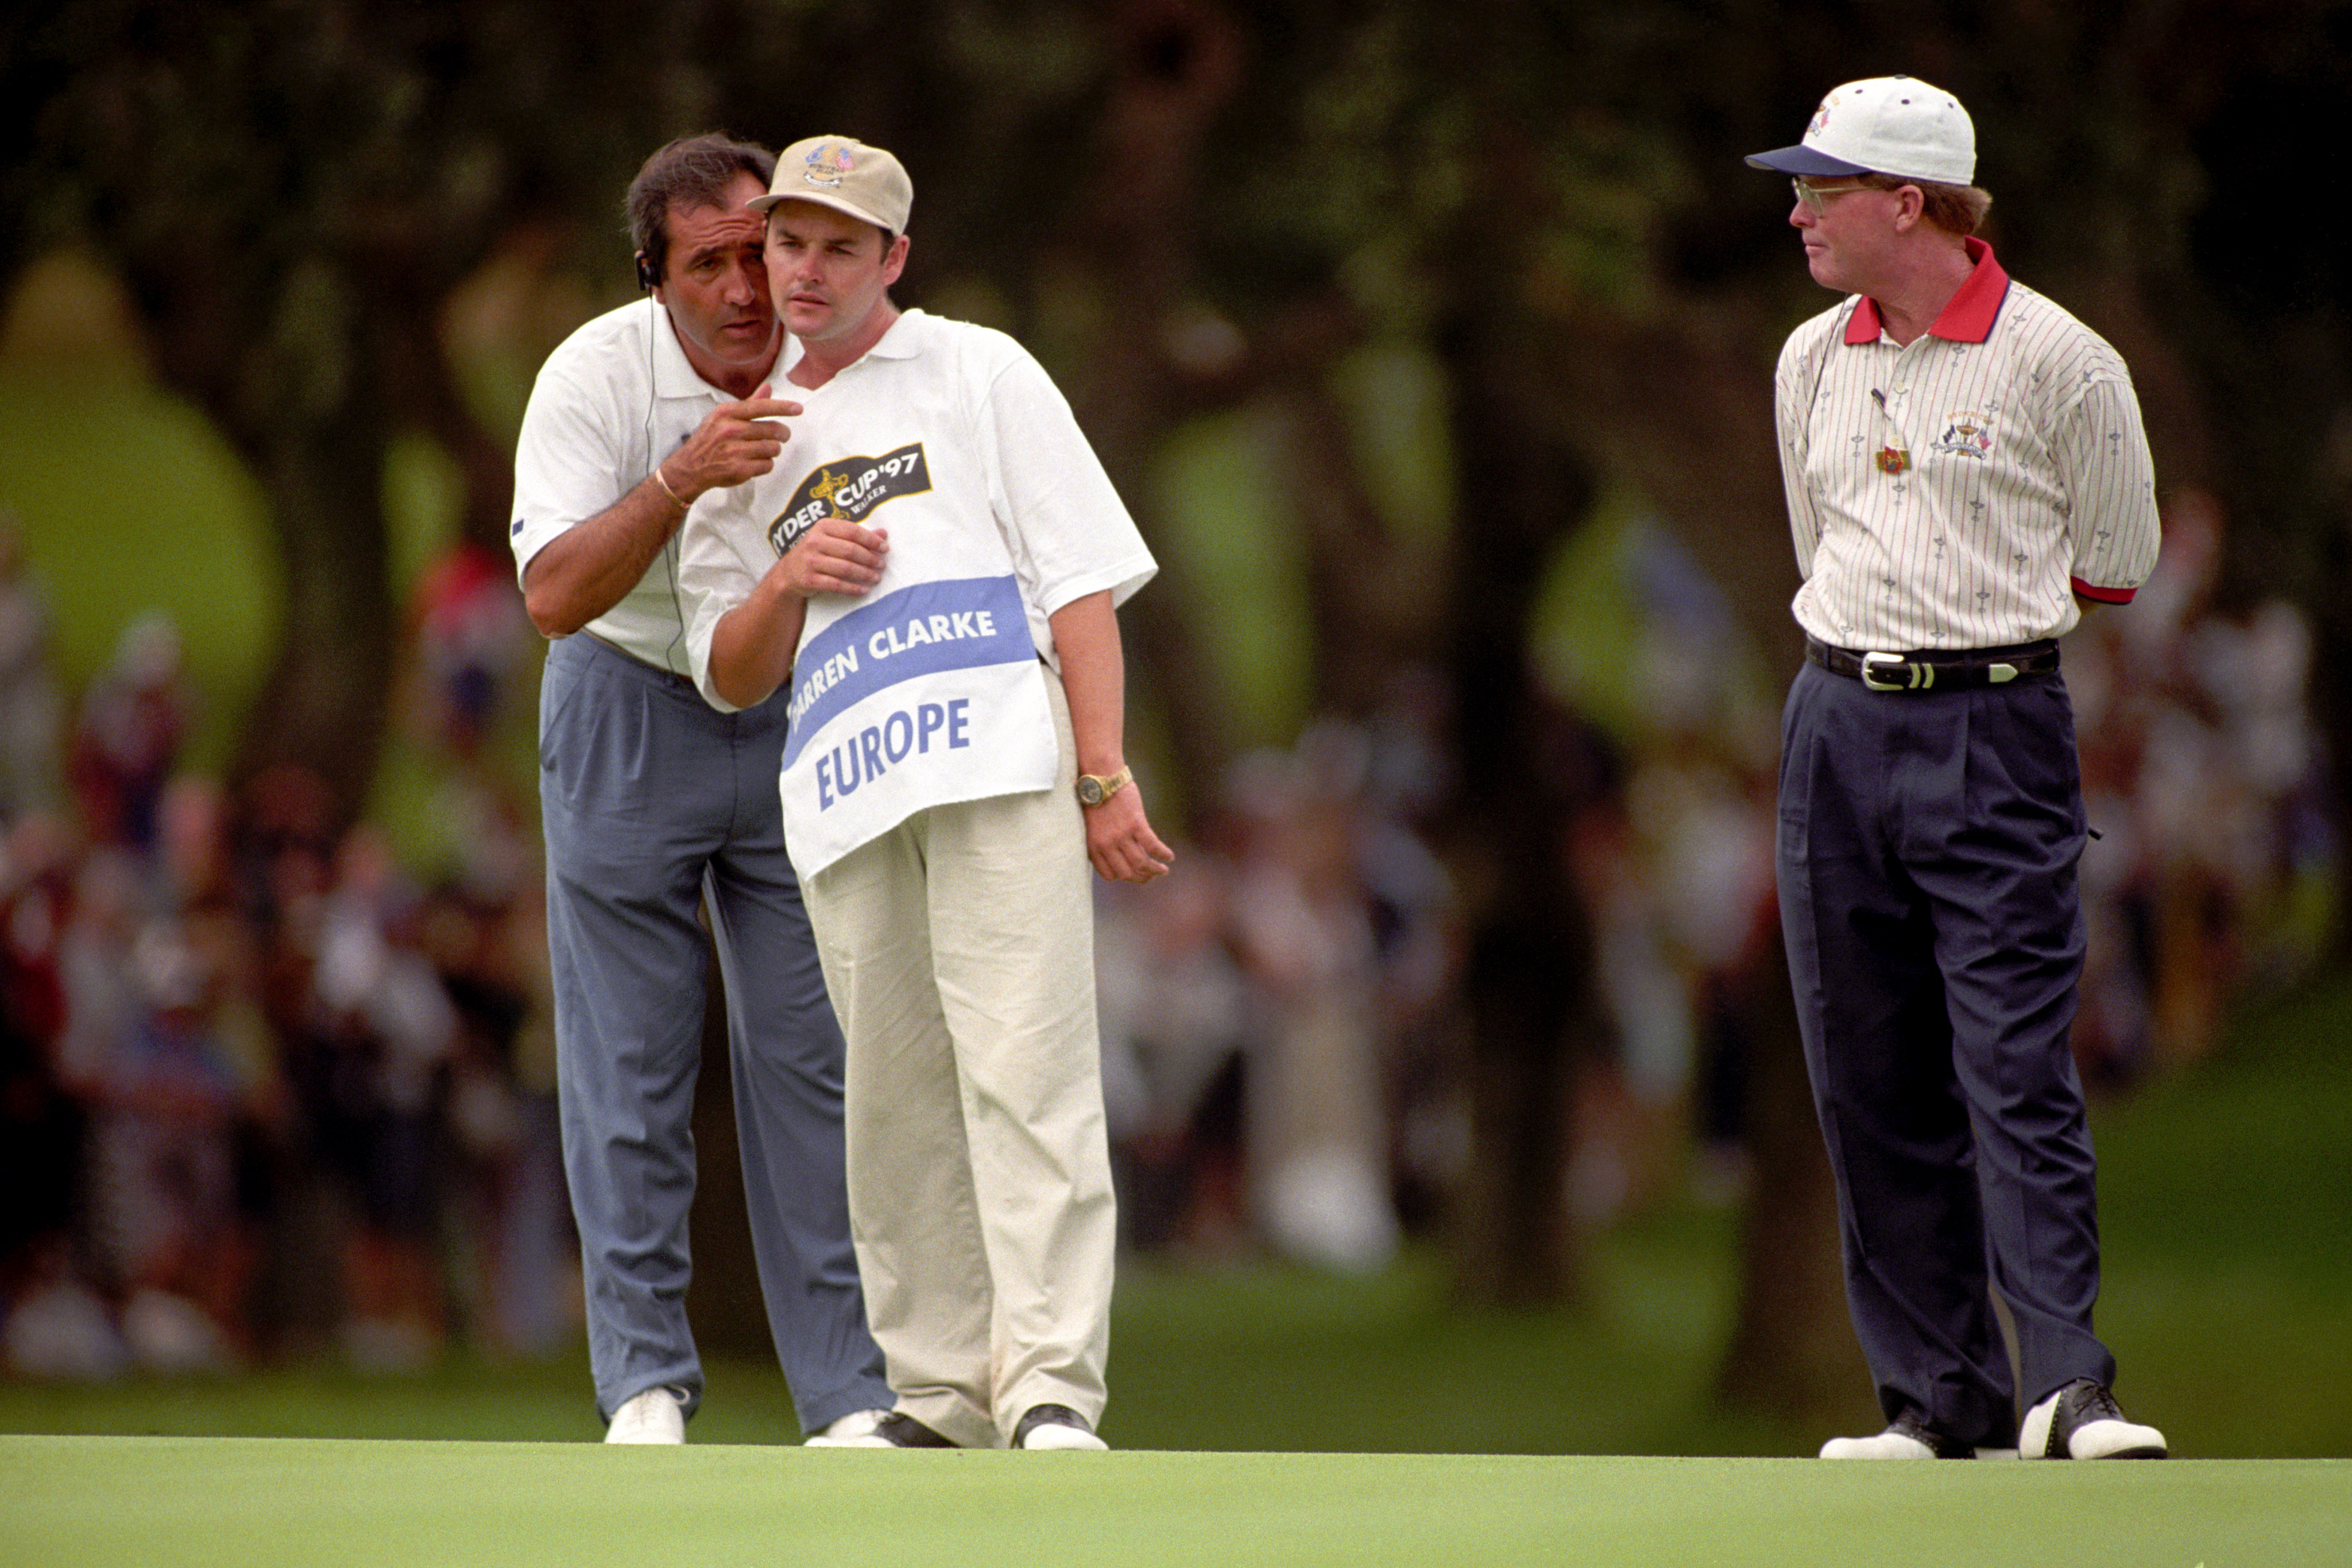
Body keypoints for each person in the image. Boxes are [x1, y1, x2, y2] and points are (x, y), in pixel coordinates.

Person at [677, 134, 1171, 1451]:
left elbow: (1076, 581)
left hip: (999, 760)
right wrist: (786, 580)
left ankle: (1053, 1384)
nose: (804, 271)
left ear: (893, 257)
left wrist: (1101, 774)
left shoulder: (977, 367)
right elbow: (726, 670)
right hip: (841, 794)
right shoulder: (747, 430)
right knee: (891, 1102)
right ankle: (940, 1394)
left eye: (841, 246)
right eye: (787, 242)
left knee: (1026, 1072)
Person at [1745, 77, 2168, 1461]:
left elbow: (2115, 559)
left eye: (1822, 189)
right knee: (1864, 1072)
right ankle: (1936, 1397)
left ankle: (2066, 1385)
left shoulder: (2059, 360)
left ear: (1905, 204)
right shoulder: (1809, 355)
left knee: (2009, 1064)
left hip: (1994, 729)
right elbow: (1820, 540)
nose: (1798, 211)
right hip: (1833, 727)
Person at [508, 133, 891, 1445]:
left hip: (793, 705)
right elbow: (552, 595)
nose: (748, 288)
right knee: (629, 1061)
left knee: (814, 1058)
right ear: (652, 280)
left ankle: (848, 1394)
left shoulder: (838, 357)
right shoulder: (593, 376)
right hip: (625, 700)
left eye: (763, 250)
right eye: (712, 263)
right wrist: (679, 477)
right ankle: (645, 1386)